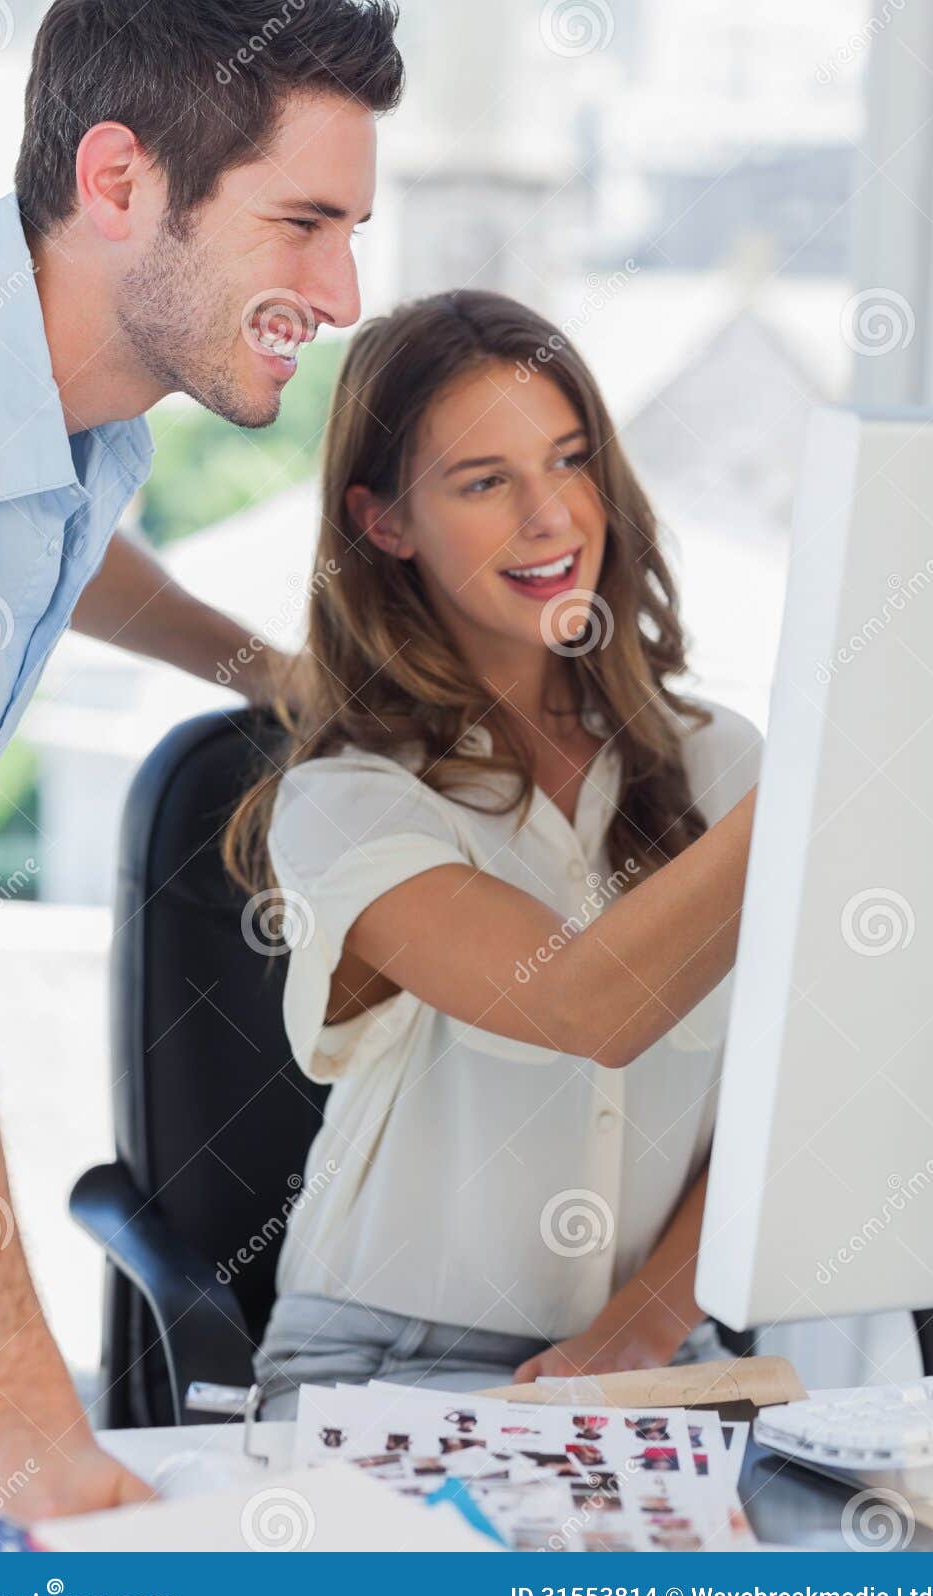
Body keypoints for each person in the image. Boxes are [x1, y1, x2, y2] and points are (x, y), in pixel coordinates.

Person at [0, 0, 403, 1541]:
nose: (340, 299)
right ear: (118, 178)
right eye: (300, 224)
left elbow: (49, 543)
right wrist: (22, 1418)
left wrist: (269, 669)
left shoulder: (67, 400)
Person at [223, 290, 763, 1419]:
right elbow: (587, 1001)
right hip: (385, 1361)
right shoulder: (345, 801)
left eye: (568, 461)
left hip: (653, 1360)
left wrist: (636, 1329)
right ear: (385, 523)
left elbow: (784, 1104)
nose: (549, 517)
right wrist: (825, 780)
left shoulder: (727, 767)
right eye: (484, 482)